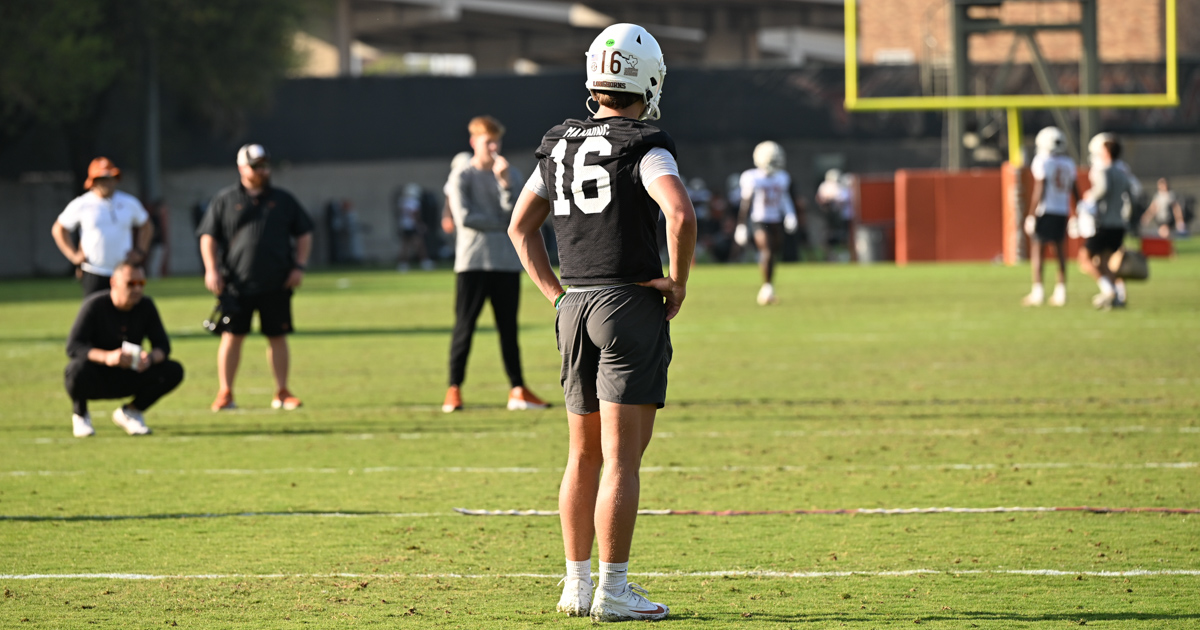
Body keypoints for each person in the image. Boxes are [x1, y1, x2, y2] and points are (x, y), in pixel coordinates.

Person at [508, 23, 696, 622]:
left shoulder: (559, 143)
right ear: (649, 79)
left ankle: (575, 585)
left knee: (581, 455)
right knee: (622, 459)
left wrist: (555, 296)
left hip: (576, 306)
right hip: (626, 306)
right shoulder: (644, 144)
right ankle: (613, 591)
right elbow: (680, 212)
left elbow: (520, 226)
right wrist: (679, 279)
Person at [442, 116, 547, 413]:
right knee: (464, 326)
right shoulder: (462, 176)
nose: (493, 147)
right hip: (472, 263)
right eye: (488, 141)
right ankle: (454, 389)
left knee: (508, 330)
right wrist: (502, 222)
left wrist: (504, 186)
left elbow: (517, 216)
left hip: (505, 263)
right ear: (474, 142)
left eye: (496, 141)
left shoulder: (510, 173)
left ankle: (518, 390)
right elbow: (465, 219)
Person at [197, 144, 314, 411]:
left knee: (277, 335)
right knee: (232, 336)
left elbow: (304, 232)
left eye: (264, 165)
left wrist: (300, 265)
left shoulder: (283, 200)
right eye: (255, 166)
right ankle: (225, 392)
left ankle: (282, 391)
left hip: (277, 280)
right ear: (242, 168)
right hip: (236, 282)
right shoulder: (225, 199)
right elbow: (208, 236)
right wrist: (211, 269)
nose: (262, 171)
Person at [64, 263, 184, 437]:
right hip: (98, 374)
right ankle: (81, 415)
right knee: (74, 370)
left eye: (141, 283)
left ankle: (131, 412)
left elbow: (163, 346)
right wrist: (107, 357)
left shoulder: (146, 306)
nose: (136, 289)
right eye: (130, 283)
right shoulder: (94, 305)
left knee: (173, 370)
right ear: (114, 282)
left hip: (131, 372)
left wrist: (148, 359)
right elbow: (74, 346)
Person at [51, 157, 153, 296]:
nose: (107, 182)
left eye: (110, 177)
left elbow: (146, 226)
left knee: (125, 310)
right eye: (102, 178)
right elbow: (59, 229)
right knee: (95, 312)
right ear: (93, 182)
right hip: (93, 271)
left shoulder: (129, 202)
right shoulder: (82, 204)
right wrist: (73, 256)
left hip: (123, 271)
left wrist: (140, 251)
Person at [734, 141, 798, 305]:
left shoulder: (783, 177)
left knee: (772, 253)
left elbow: (784, 198)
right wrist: (741, 225)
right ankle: (767, 288)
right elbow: (746, 202)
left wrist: (790, 215)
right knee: (768, 250)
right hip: (759, 220)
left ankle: (767, 287)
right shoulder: (751, 177)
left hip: (776, 220)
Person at [1077, 133, 1135, 310]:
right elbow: (1132, 197)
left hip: (1104, 224)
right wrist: (1127, 218)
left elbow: (1102, 189)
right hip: (1118, 225)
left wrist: (1089, 198)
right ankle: (1117, 298)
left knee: (1084, 259)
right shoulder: (1123, 172)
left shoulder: (1104, 170)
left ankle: (1109, 291)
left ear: (1107, 152)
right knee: (1105, 263)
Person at [1022, 127, 1079, 307]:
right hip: (1062, 211)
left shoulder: (1042, 161)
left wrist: (1031, 214)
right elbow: (1075, 191)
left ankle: (1038, 292)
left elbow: (1040, 188)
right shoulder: (1069, 163)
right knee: (1060, 252)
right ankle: (1060, 291)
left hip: (1045, 210)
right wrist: (1077, 213)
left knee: (1038, 251)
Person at [395, 183, 433, 271]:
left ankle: (403, 264)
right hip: (412, 225)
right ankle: (425, 262)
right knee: (419, 244)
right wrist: (419, 224)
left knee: (405, 245)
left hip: (404, 225)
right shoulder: (414, 202)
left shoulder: (402, 201)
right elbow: (415, 215)